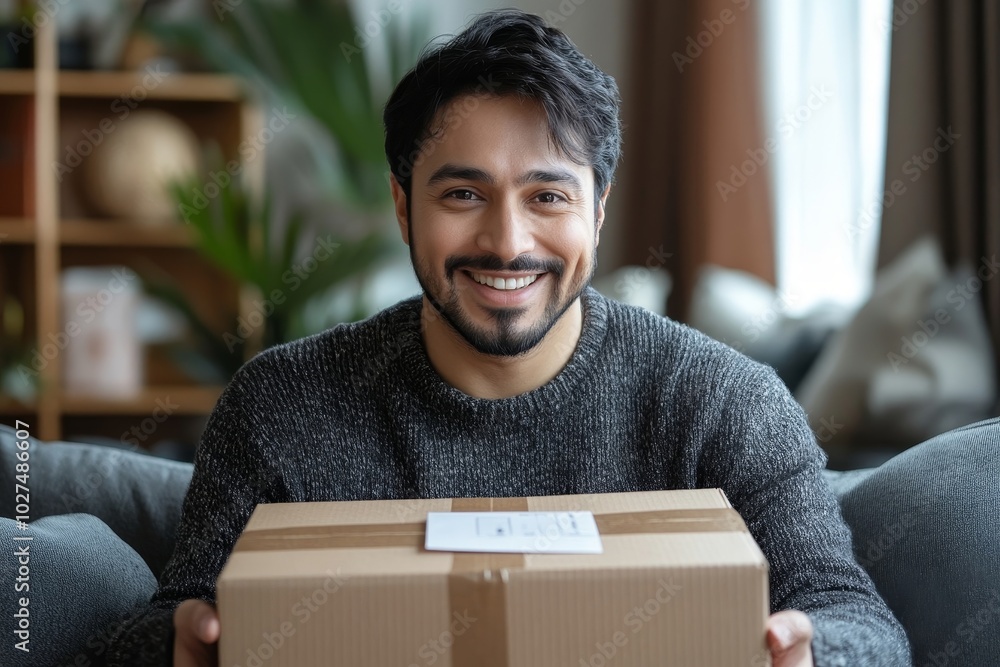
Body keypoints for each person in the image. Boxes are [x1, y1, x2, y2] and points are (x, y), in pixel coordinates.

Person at [109, 9, 910, 667]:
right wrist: (181, 645)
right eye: (463, 192)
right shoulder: (280, 403)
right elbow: (165, 621)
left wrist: (814, 654)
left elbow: (859, 621)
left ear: (597, 210)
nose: (506, 240)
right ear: (401, 204)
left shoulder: (723, 401)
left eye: (548, 195)